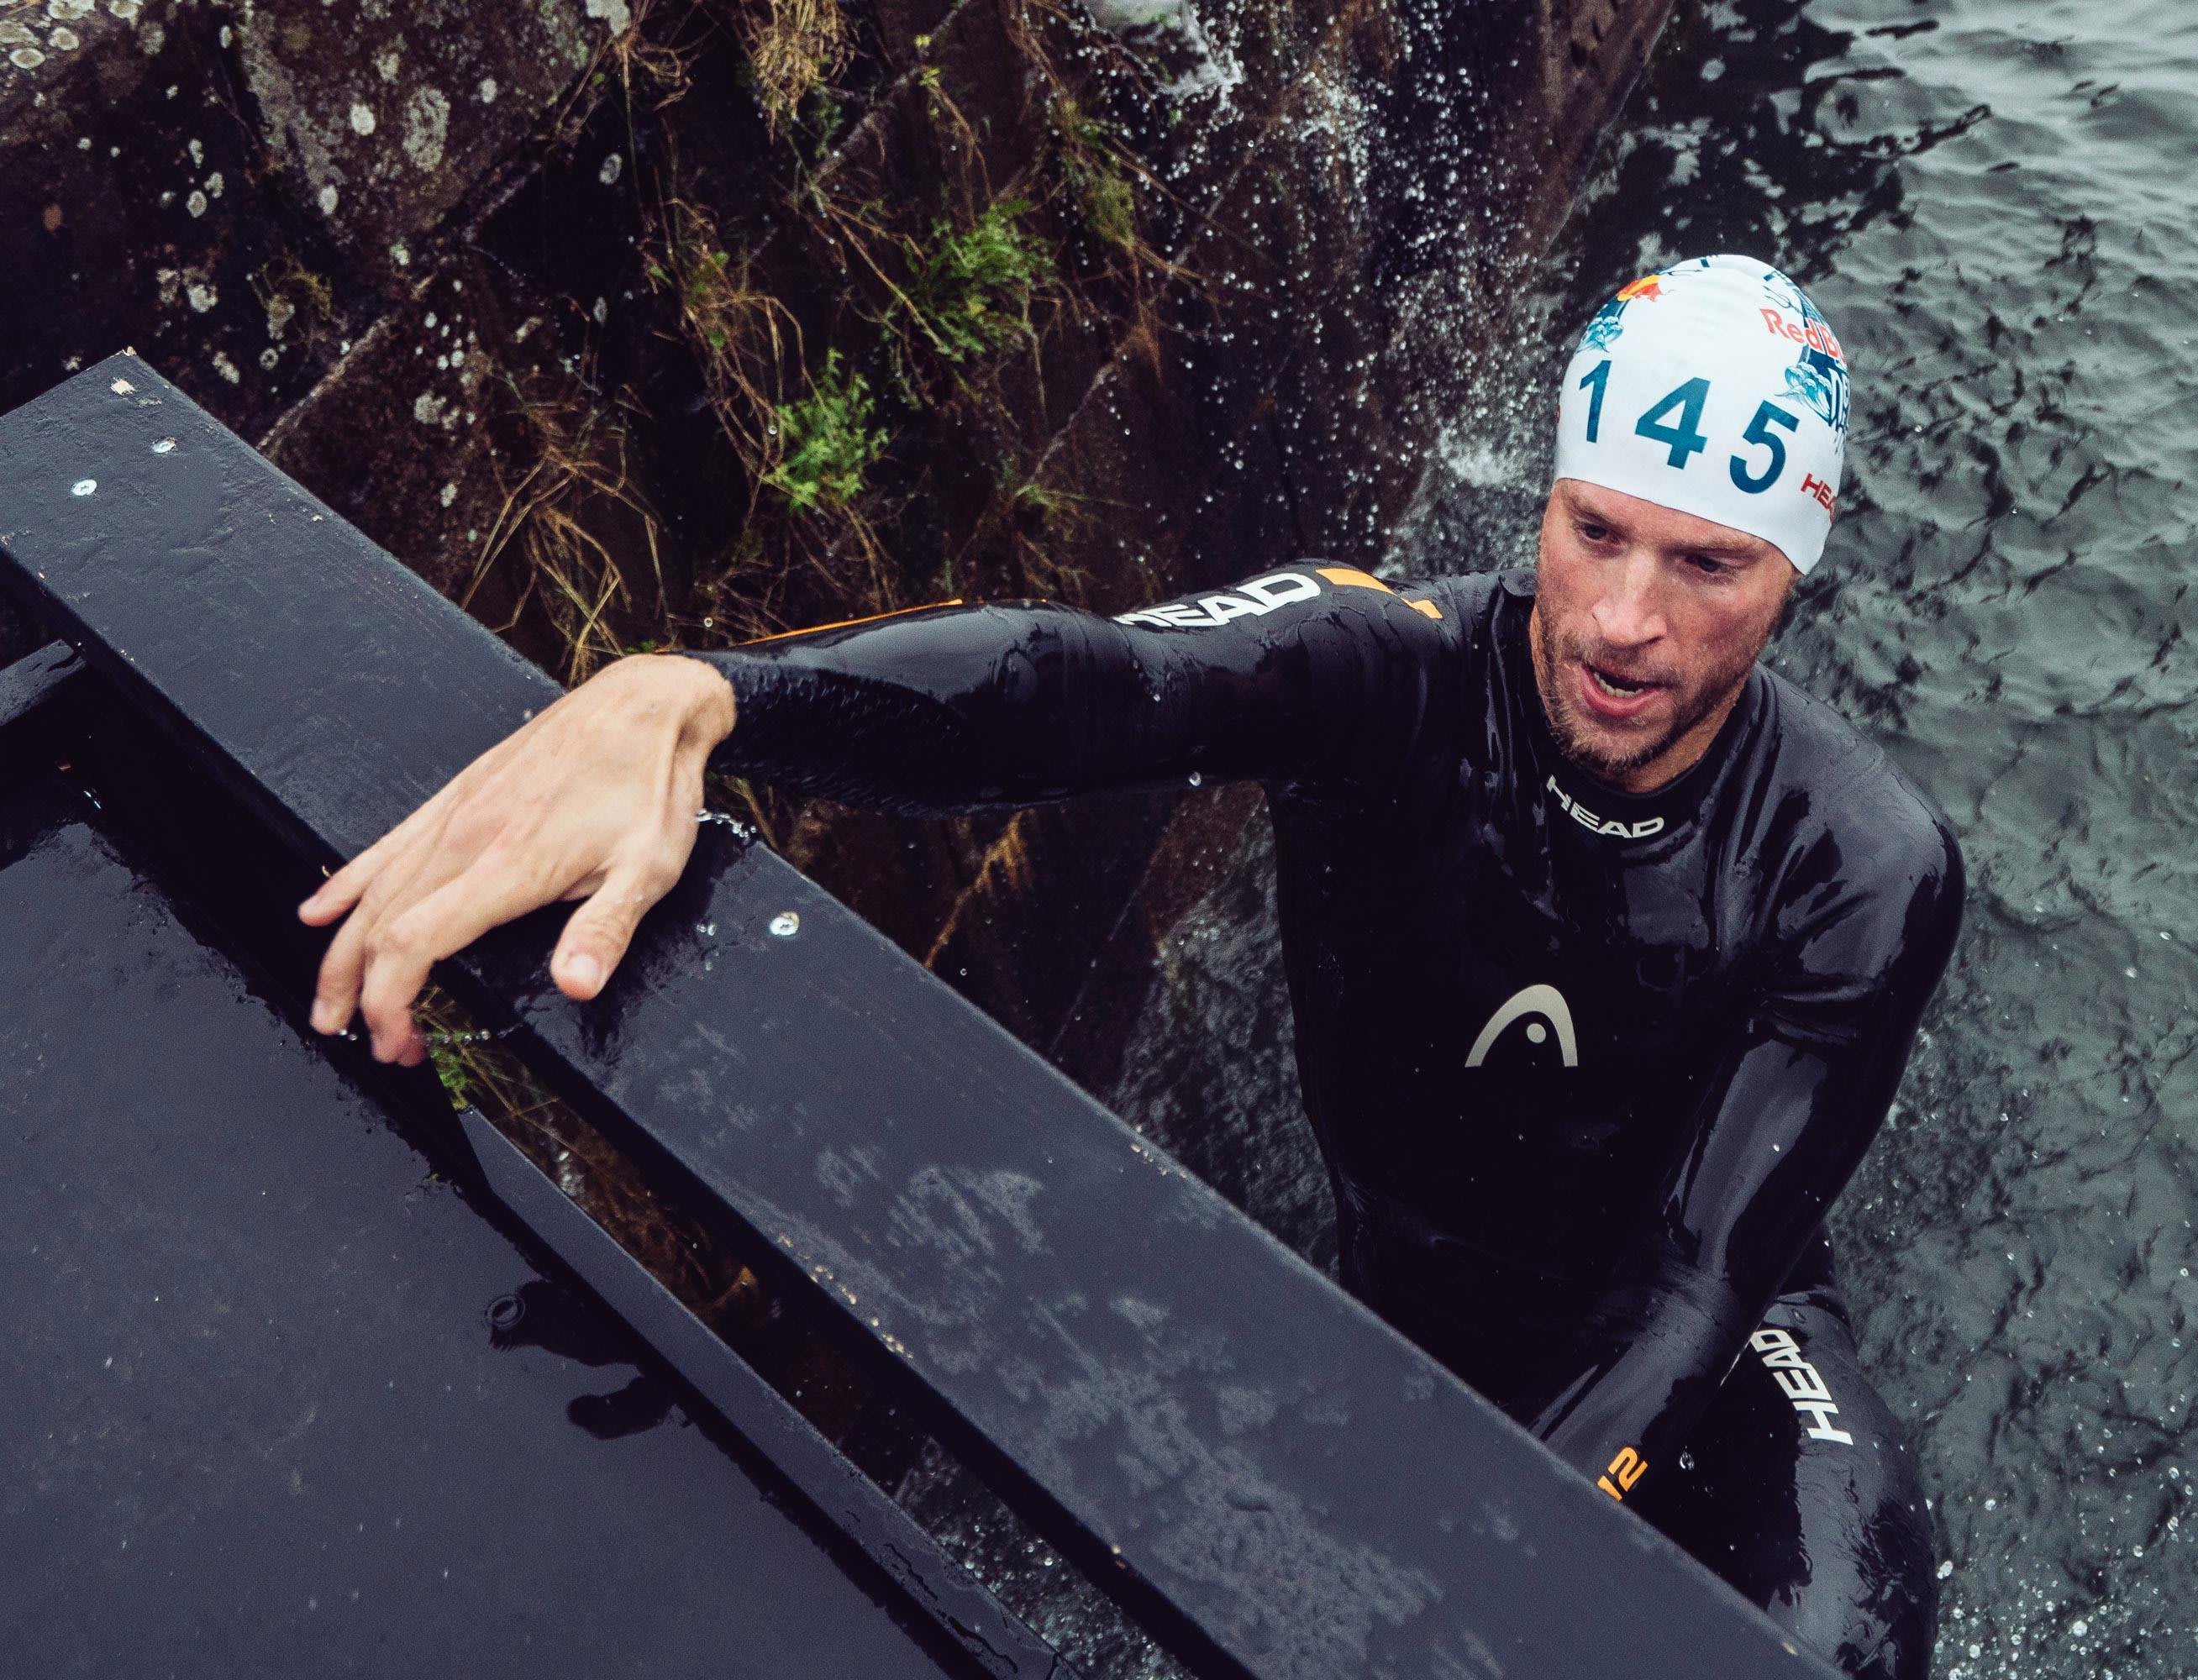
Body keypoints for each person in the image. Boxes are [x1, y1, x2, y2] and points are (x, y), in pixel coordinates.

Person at [301, 255, 1961, 1678]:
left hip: (1715, 1347)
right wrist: (707, 701)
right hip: (1405, 1296)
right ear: (1547, 496)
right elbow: (1078, 683)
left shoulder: (1855, 865)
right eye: (1595, 531)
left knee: (1859, 1625)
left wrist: (1467, 1574)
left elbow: (1687, 1283)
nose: (1622, 621)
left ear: (1792, 577)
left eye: (1708, 566)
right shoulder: (1386, 668)